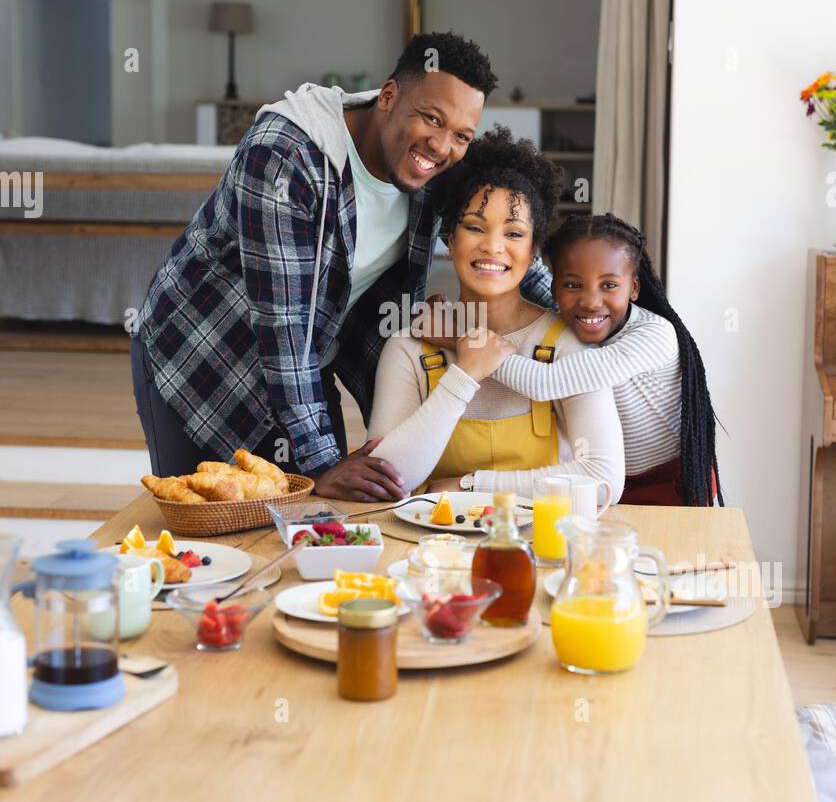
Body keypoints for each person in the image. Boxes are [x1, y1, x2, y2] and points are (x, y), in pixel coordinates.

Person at [130, 32, 554, 501]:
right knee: (204, 519)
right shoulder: (286, 157)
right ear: (389, 96)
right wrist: (322, 464)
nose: (441, 146)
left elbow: (511, 249)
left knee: (319, 516)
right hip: (200, 358)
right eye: (431, 119)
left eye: (461, 135)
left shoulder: (438, 165)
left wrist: (594, 306)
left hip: (309, 361)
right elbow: (283, 321)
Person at [367, 130, 625, 502]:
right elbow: (387, 480)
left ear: (533, 248)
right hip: (434, 555)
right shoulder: (411, 346)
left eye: (514, 233)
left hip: (544, 549)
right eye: (474, 227)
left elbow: (602, 480)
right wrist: (465, 373)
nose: (492, 246)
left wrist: (469, 486)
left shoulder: (568, 344)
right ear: (450, 239)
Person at [481, 211, 723, 506]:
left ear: (633, 288)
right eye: (572, 285)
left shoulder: (654, 336)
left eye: (609, 285)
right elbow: (525, 284)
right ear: (555, 287)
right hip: (606, 483)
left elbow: (544, 382)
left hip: (672, 481)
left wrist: (464, 341)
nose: (591, 302)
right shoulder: (569, 325)